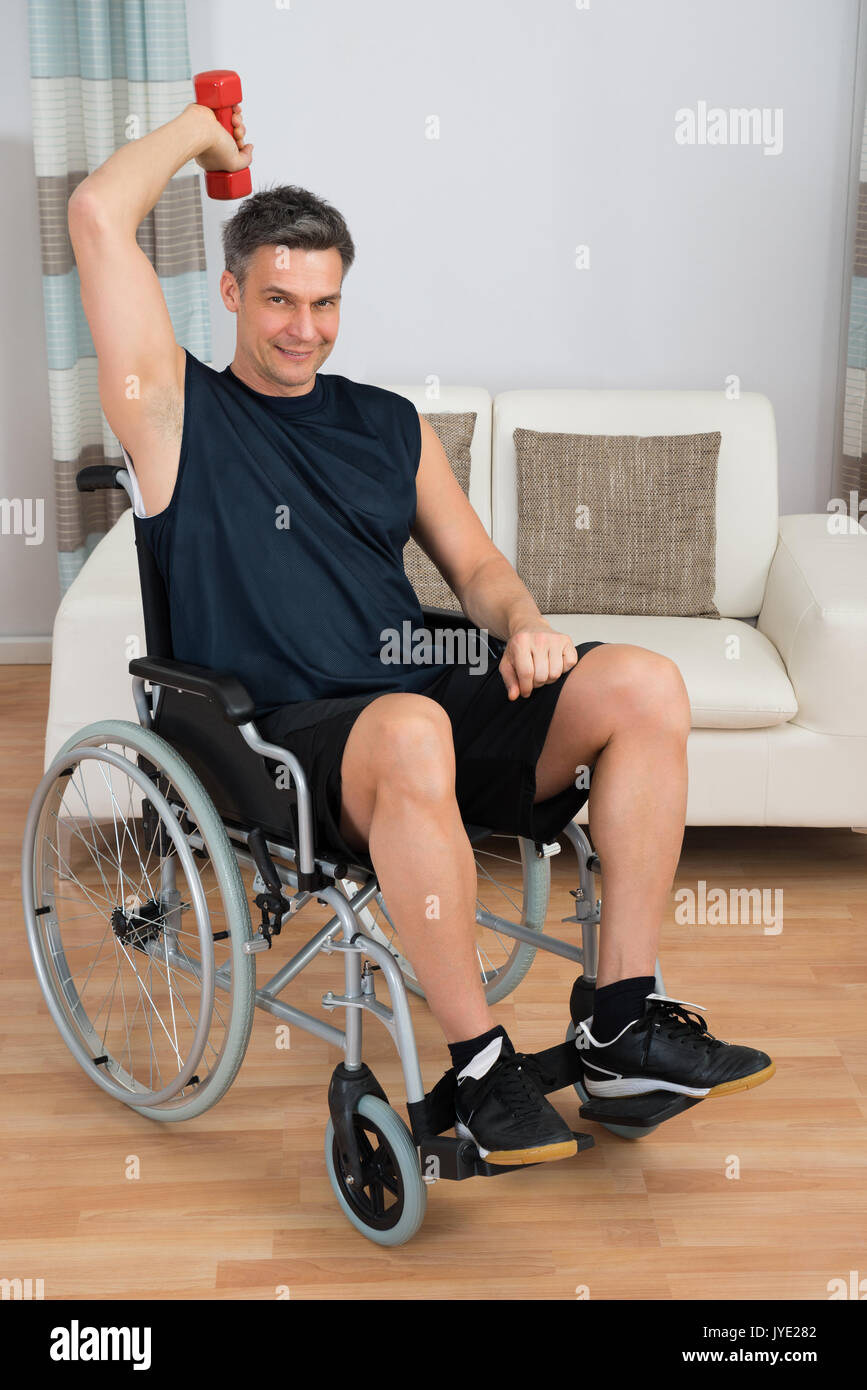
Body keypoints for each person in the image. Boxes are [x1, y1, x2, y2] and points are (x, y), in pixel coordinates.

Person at [67, 97, 774, 1168]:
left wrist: (526, 621)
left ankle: (621, 1018)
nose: (304, 326)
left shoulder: (386, 422)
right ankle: (481, 1066)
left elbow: (479, 570)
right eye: (278, 300)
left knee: (644, 684)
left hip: (419, 695)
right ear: (229, 293)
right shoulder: (175, 414)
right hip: (283, 735)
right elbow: (93, 212)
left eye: (325, 302)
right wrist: (199, 137)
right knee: (407, 730)